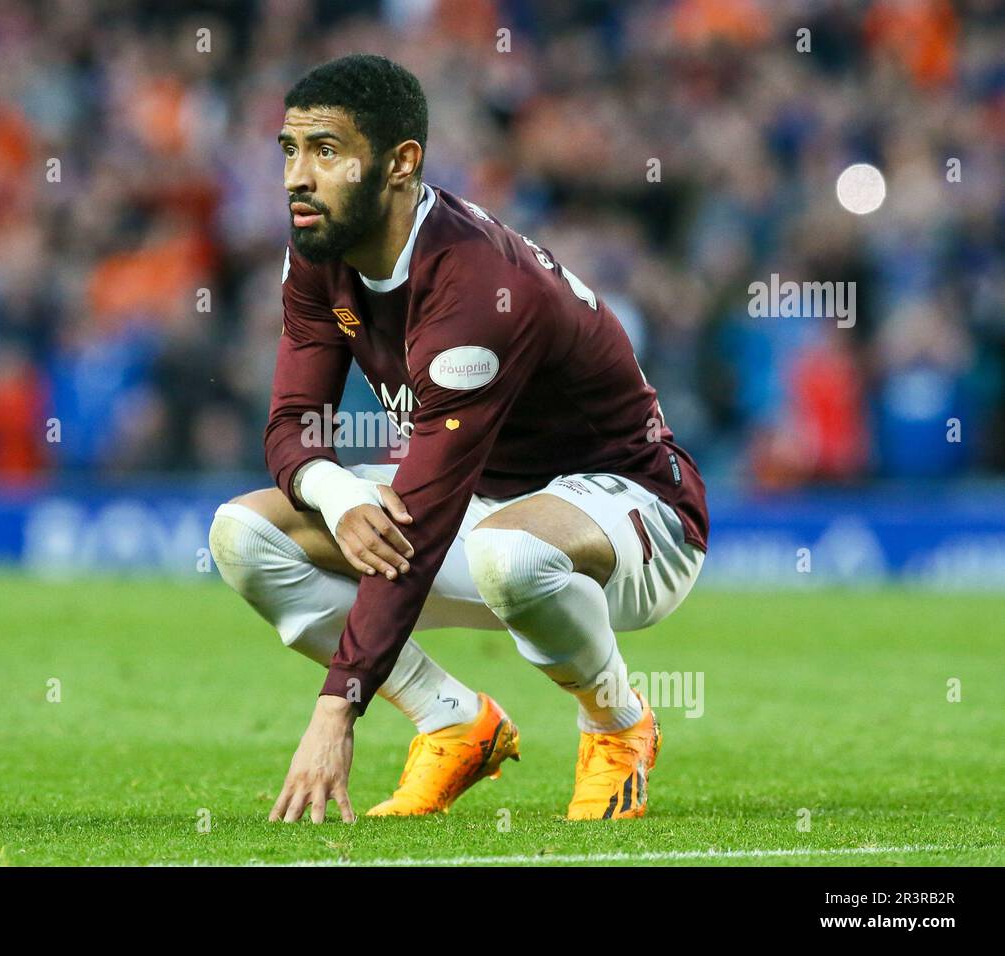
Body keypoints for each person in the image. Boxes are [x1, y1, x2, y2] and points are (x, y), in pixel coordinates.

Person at [209, 54, 708, 823]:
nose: (296, 178)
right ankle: (454, 722)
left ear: (401, 163)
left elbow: (424, 525)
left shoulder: (476, 290)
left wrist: (336, 708)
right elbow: (289, 426)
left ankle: (617, 724)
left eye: (327, 151)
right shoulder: (321, 252)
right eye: (289, 150)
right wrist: (337, 494)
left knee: (508, 552)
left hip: (635, 514)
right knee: (242, 534)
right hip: (483, 506)